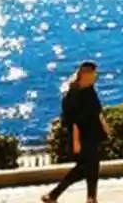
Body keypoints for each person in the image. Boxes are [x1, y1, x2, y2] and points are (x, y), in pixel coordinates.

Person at [42, 61, 111, 203]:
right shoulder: (72, 95)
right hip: (82, 136)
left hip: (94, 132)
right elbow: (72, 122)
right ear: (84, 74)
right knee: (86, 167)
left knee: (91, 166)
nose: (95, 76)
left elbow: (97, 111)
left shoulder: (90, 90)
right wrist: (76, 142)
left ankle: (89, 197)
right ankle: (57, 194)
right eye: (92, 73)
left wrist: (105, 127)